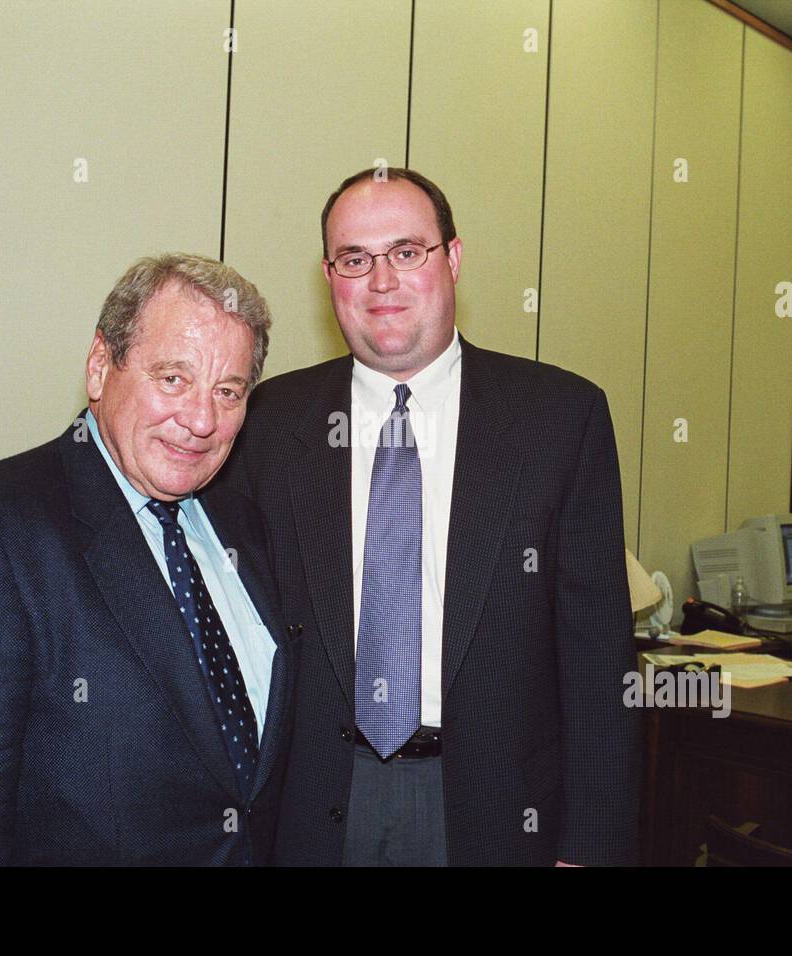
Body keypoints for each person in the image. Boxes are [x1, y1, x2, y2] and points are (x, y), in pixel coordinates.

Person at [219, 167, 641, 866]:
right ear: (330, 278)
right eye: (356, 260)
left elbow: (599, 660)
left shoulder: (561, 419)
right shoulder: (266, 424)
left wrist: (590, 845)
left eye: (407, 251)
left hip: (497, 811)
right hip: (313, 809)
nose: (381, 281)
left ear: (452, 258)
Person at [0, 253, 291, 865]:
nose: (202, 419)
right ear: (100, 367)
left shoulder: (243, 525)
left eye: (228, 391)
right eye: (173, 378)